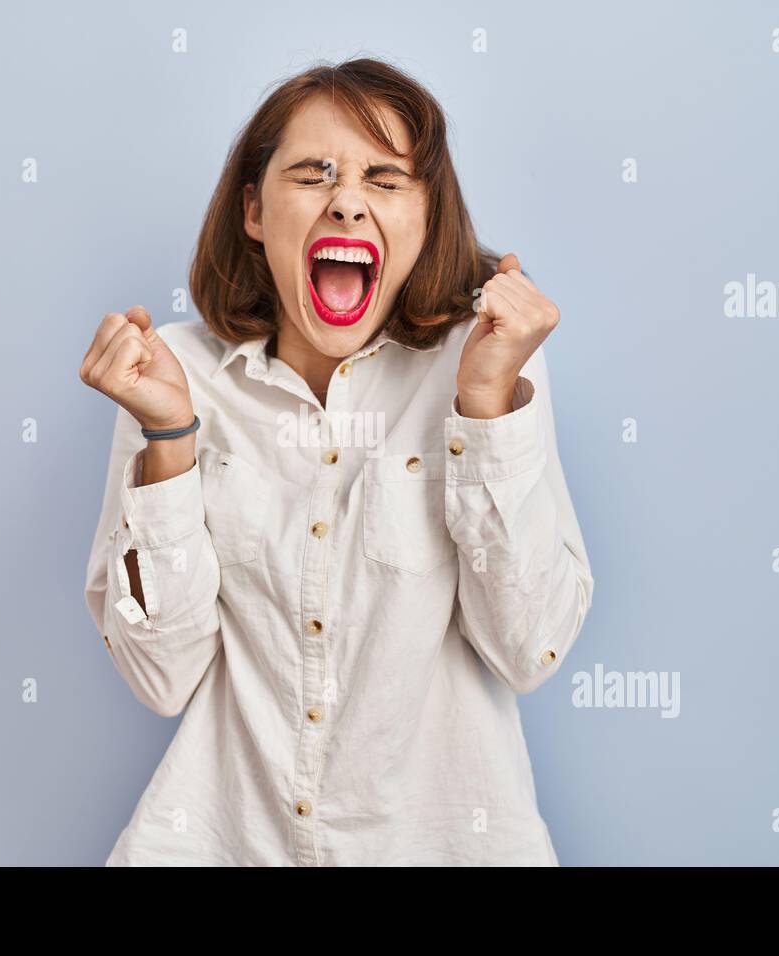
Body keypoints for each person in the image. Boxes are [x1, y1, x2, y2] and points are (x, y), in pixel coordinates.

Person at [80, 57, 594, 866]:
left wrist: (488, 408)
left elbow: (528, 649)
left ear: (427, 219)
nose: (348, 200)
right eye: (313, 173)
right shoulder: (172, 376)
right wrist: (170, 439)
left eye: (387, 180)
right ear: (254, 210)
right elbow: (161, 677)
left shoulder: (488, 363)